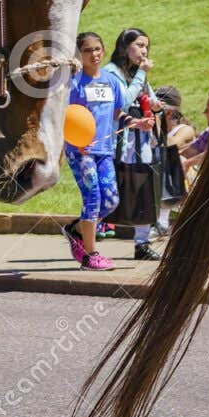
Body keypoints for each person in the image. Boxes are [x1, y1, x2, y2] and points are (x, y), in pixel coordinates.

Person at [62, 31, 154, 270]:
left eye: (97, 49)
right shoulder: (73, 83)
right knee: (92, 199)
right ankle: (90, 255)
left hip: (104, 149)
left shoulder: (110, 81)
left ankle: (75, 230)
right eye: (87, 50)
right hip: (80, 151)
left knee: (111, 200)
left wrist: (134, 122)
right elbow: (63, 117)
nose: (94, 54)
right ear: (78, 55)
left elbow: (116, 112)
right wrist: (75, 140)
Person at [103, 27, 166, 260]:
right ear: (124, 46)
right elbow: (124, 100)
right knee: (111, 192)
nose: (144, 50)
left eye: (146, 46)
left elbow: (149, 97)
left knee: (144, 190)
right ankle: (82, 231)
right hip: (121, 143)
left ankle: (141, 243)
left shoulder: (137, 72)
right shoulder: (111, 73)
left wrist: (159, 105)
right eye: (139, 45)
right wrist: (141, 73)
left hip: (142, 142)